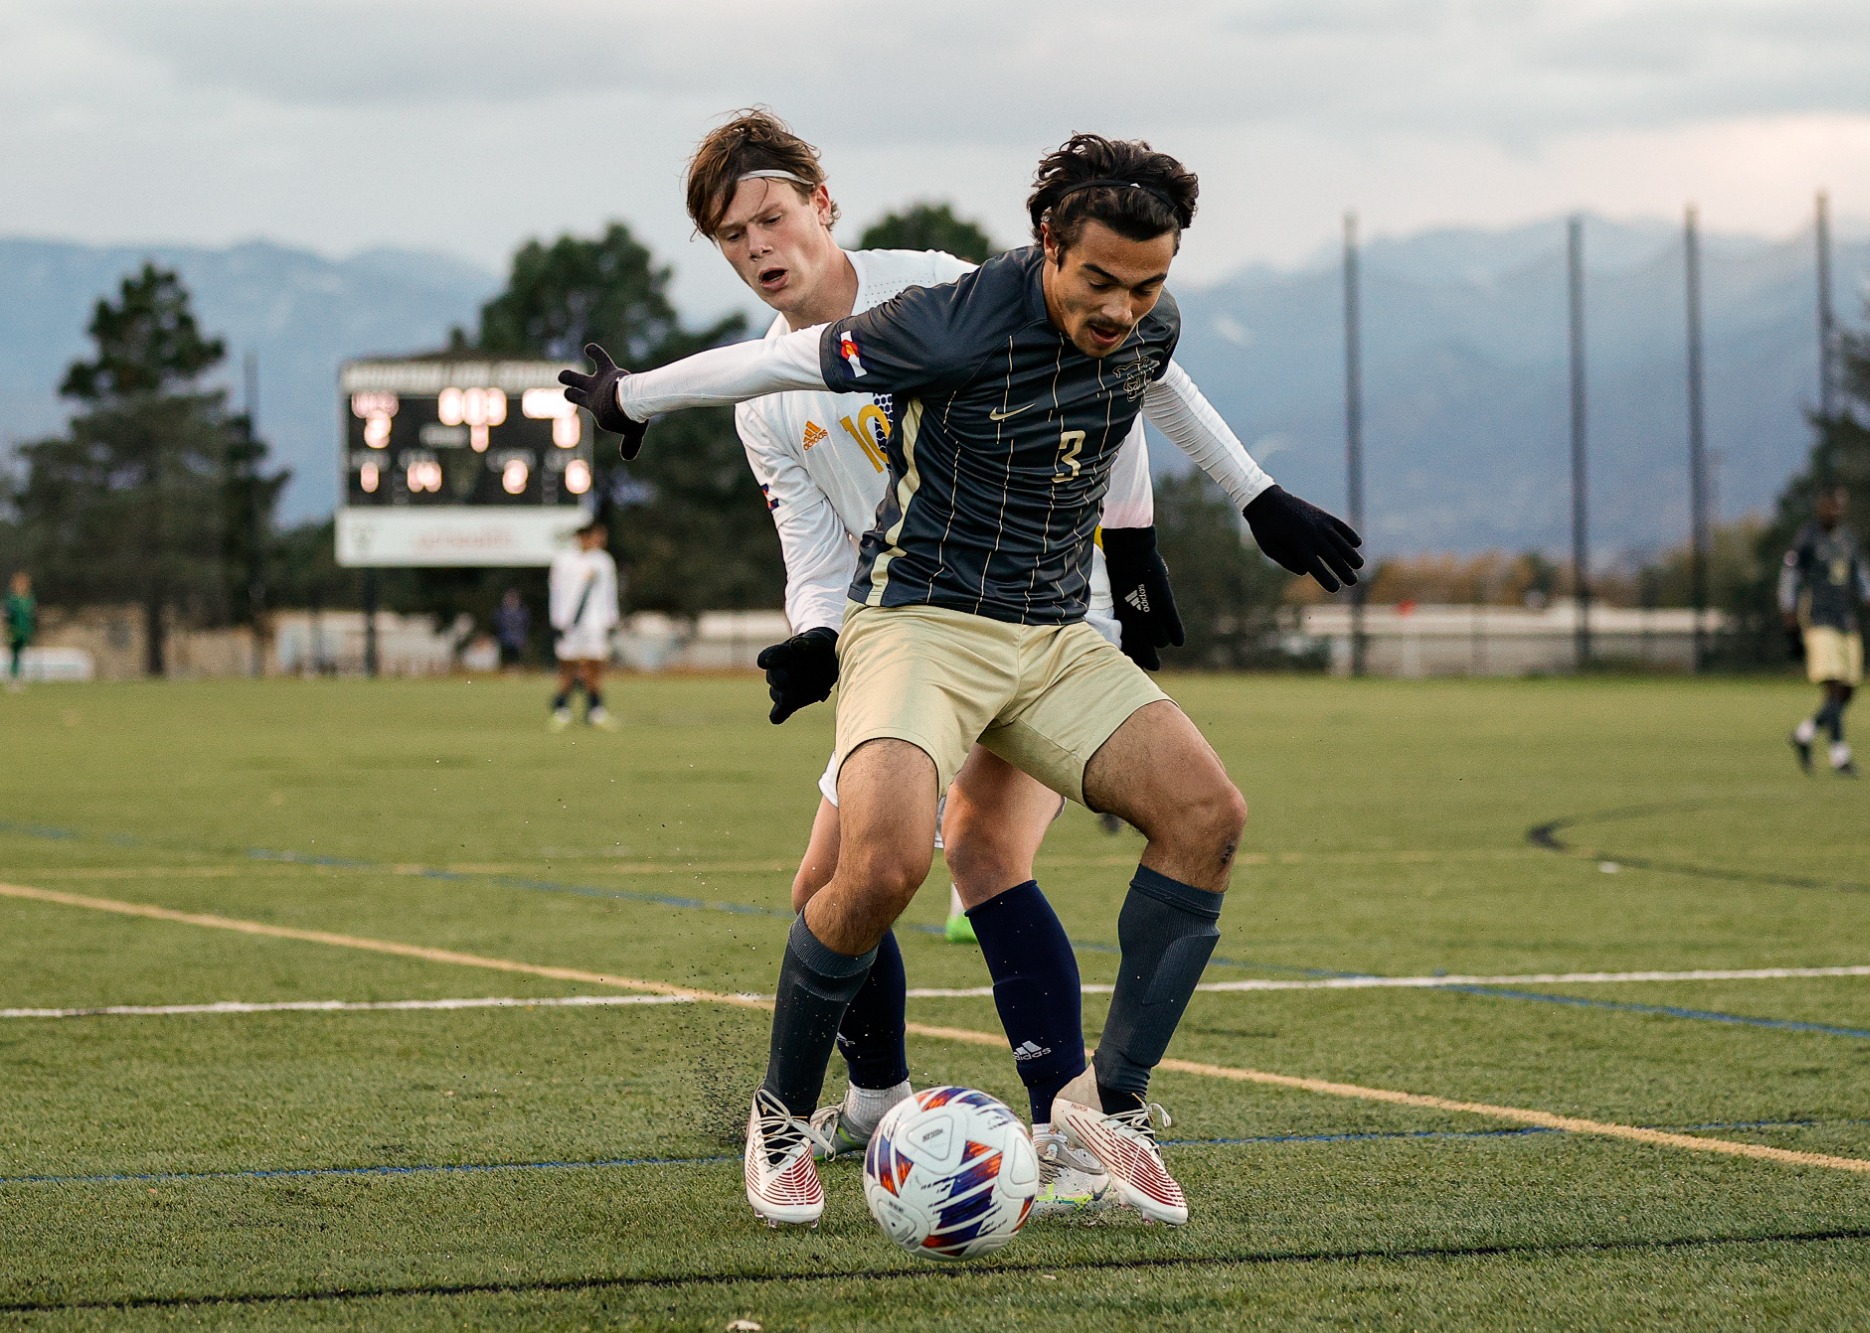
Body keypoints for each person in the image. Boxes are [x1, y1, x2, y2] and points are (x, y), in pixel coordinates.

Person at [566, 131, 1362, 1230]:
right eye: (732, 233)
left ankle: (1095, 1112)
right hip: (917, 624)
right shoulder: (948, 314)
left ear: (822, 206)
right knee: (871, 867)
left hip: (1052, 622)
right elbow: (776, 374)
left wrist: (1237, 503)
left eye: (1147, 282)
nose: (1123, 305)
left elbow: (1147, 381)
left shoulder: (1105, 307)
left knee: (1201, 813)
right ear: (1046, 249)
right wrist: (637, 401)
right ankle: (791, 1117)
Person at [1781, 486, 1870, 775]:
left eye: (1838, 506)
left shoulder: (1849, 539)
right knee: (1834, 685)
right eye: (1828, 506)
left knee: (1848, 689)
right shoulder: (1807, 538)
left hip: (1846, 619)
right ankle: (1839, 756)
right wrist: (1789, 617)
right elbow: (1789, 577)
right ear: (1819, 508)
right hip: (1819, 618)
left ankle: (1805, 734)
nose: (1833, 511)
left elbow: (1863, 576)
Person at [548, 520, 619, 729]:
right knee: (567, 666)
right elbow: (557, 593)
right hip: (570, 623)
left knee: (594, 665)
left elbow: (609, 593)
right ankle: (561, 709)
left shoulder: (604, 561)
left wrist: (610, 619)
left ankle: (595, 710)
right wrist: (557, 621)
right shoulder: (563, 560)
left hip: (595, 623)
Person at [5, 572, 35, 692]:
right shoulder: (12, 598)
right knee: (14, 654)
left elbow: (31, 615)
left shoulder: (29, 598)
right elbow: (8, 615)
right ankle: (13, 679)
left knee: (20, 654)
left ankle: (19, 678)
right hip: (14, 630)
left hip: (25, 630)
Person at [494, 587, 530, 673]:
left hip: (518, 639)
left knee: (517, 656)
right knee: (507, 656)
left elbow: (526, 623)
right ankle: (507, 670)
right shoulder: (502, 611)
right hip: (505, 638)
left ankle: (517, 669)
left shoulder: (522, 611)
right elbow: (497, 622)